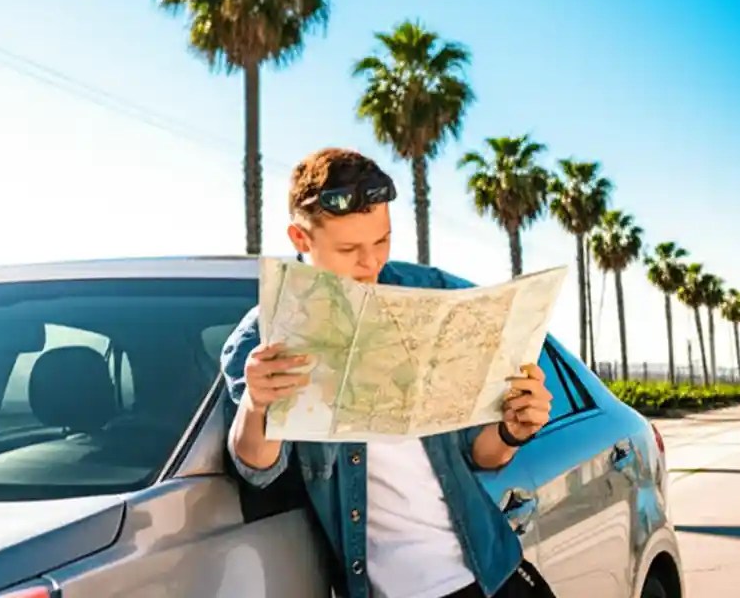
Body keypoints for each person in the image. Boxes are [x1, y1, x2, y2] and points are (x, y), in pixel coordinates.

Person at [221, 148, 557, 598]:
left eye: (382, 241)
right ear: (301, 239)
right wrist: (257, 402)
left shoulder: (432, 295)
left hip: (493, 572)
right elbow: (257, 468)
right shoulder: (261, 340)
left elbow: (484, 455)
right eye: (349, 249)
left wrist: (514, 429)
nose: (371, 263)